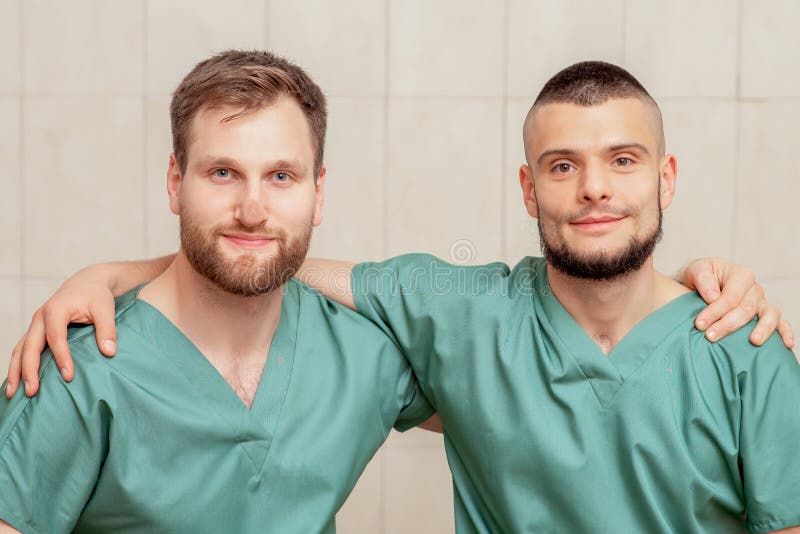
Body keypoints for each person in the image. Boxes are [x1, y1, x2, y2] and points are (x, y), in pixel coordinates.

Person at [7, 61, 798, 532]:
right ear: (528, 188)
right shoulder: (462, 314)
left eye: (623, 160)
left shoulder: (743, 347)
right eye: (562, 166)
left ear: (666, 177)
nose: (594, 189)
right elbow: (261, 253)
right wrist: (116, 275)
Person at [0, 50, 434, 532]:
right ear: (175, 181)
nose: (252, 209)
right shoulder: (74, 371)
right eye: (223, 173)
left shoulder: (362, 351)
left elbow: (509, 412)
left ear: (319, 193)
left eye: (281, 176)